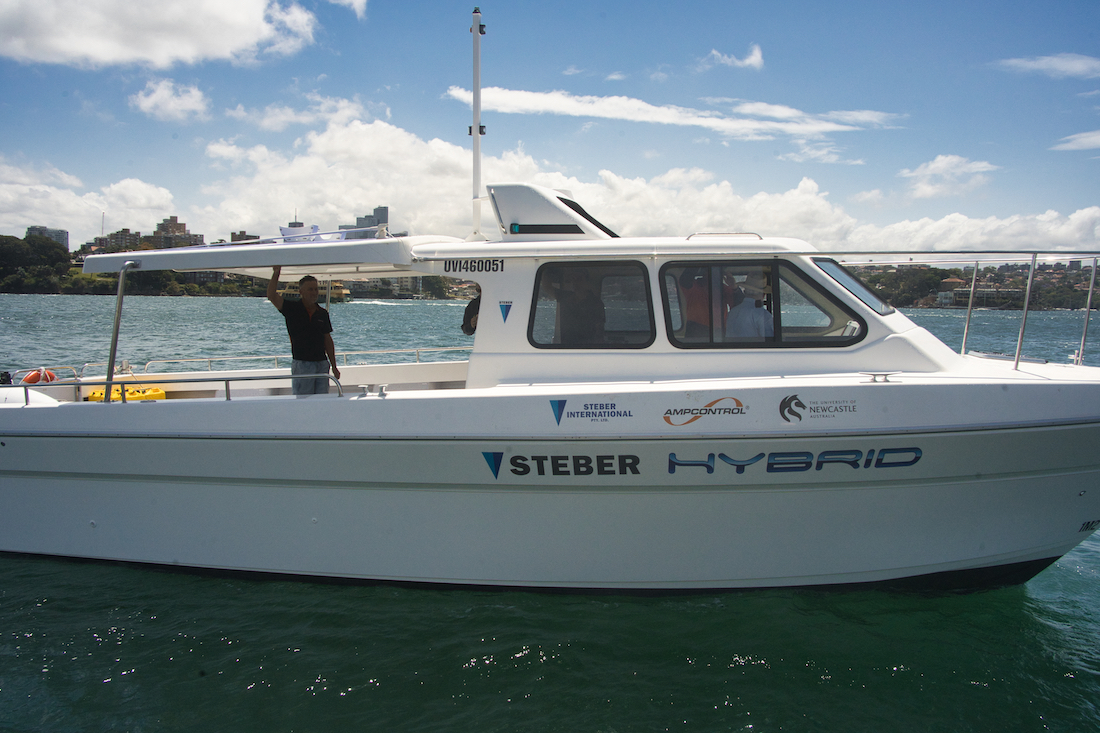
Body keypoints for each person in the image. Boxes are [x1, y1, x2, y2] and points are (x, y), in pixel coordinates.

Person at [267, 266, 341, 395]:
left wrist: (334, 366)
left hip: (322, 364)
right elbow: (272, 296)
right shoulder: (291, 309)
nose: (314, 292)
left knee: (322, 400)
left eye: (316, 289)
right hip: (302, 364)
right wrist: (276, 273)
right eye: (310, 289)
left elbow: (327, 340)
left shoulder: (322, 313)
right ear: (301, 291)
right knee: (303, 402)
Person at [724, 270, 774, 339]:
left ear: (745, 292)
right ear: (763, 295)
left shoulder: (732, 313)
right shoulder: (762, 315)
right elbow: (770, 342)